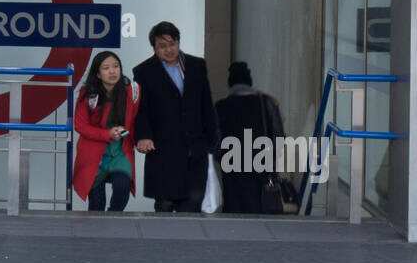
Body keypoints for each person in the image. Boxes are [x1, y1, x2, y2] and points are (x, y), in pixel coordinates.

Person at [130, 21, 219, 212]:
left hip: (194, 148)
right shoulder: (144, 72)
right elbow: (141, 109)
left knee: (193, 204)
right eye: (163, 46)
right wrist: (143, 136)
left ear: (178, 42)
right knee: (164, 204)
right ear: (154, 48)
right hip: (163, 150)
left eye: (172, 44)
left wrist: (213, 141)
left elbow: (206, 105)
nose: (169, 50)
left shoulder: (196, 66)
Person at [215, 61, 288, 214]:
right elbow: (279, 135)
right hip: (262, 166)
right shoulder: (265, 102)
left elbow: (215, 141)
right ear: (249, 82)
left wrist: (224, 158)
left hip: (232, 169)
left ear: (230, 83)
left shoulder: (221, 107)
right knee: (262, 210)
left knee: (235, 209)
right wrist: (271, 157)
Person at [72, 51, 139, 211]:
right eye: (106, 68)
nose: (112, 71)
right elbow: (80, 126)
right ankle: (97, 233)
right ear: (98, 74)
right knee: (96, 202)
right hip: (94, 153)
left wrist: (138, 137)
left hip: (120, 151)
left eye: (116, 66)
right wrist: (107, 134)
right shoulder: (88, 93)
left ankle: (113, 220)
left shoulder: (132, 91)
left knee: (122, 188)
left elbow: (137, 120)